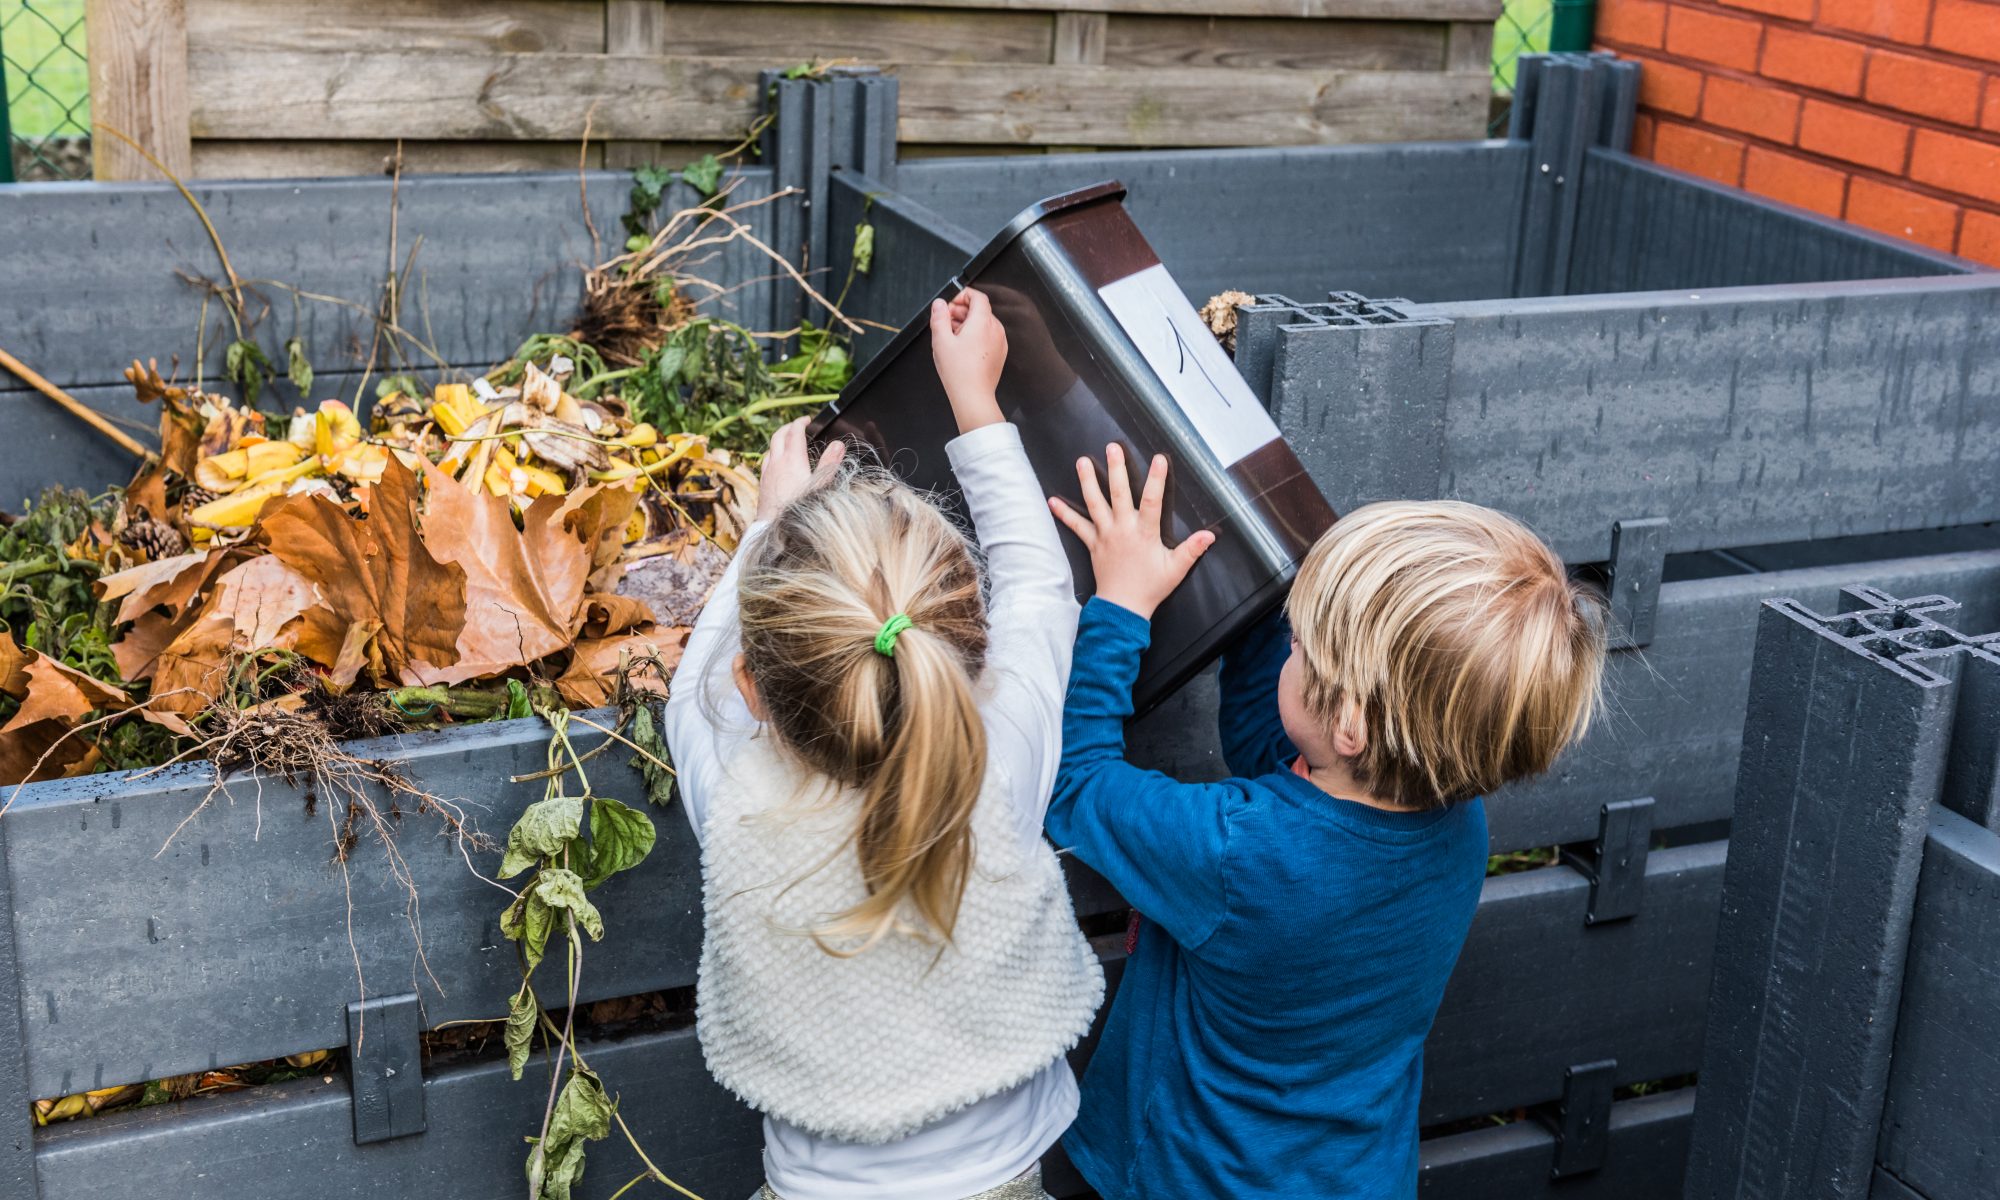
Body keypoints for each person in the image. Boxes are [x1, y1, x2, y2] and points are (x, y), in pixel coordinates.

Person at [1043, 453, 1608, 1198]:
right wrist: (1250, 608)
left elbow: (1077, 785)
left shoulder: (1237, 855)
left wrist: (1119, 607)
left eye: (1300, 643)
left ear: (1349, 723)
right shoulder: (1454, 824)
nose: (1291, 644)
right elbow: (1283, 762)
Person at [665, 288, 1104, 1200]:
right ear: (966, 642)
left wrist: (767, 525)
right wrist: (976, 404)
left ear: (753, 687)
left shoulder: (738, 801)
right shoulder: (999, 760)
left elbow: (687, 693)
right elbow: (1038, 586)